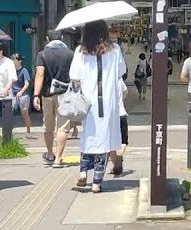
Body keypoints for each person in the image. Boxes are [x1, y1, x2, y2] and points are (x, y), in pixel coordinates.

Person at [69, 20, 126, 193]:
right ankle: (96, 183)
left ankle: (83, 173)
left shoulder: (81, 51)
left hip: (88, 103)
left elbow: (74, 77)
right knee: (103, 139)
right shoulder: (114, 50)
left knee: (88, 136)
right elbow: (121, 71)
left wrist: (76, 97)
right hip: (107, 102)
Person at [33, 32, 74, 168]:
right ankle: (59, 159)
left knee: (48, 126)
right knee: (62, 127)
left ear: (47, 39)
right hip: (65, 94)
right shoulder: (70, 54)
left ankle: (50, 154)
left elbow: (40, 74)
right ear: (62, 38)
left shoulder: (42, 54)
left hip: (47, 94)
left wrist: (35, 95)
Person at [109, 75, 129, 177]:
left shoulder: (103, 78)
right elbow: (125, 92)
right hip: (121, 113)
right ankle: (119, 155)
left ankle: (114, 165)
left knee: (111, 141)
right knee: (124, 141)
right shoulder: (118, 78)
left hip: (109, 116)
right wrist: (121, 100)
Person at [11, 53, 32, 134]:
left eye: (14, 59)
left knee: (24, 114)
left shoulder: (24, 70)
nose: (13, 61)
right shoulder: (11, 71)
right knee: (9, 112)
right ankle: (9, 131)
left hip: (23, 95)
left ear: (19, 61)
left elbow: (27, 84)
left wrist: (21, 92)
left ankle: (28, 130)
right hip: (13, 94)